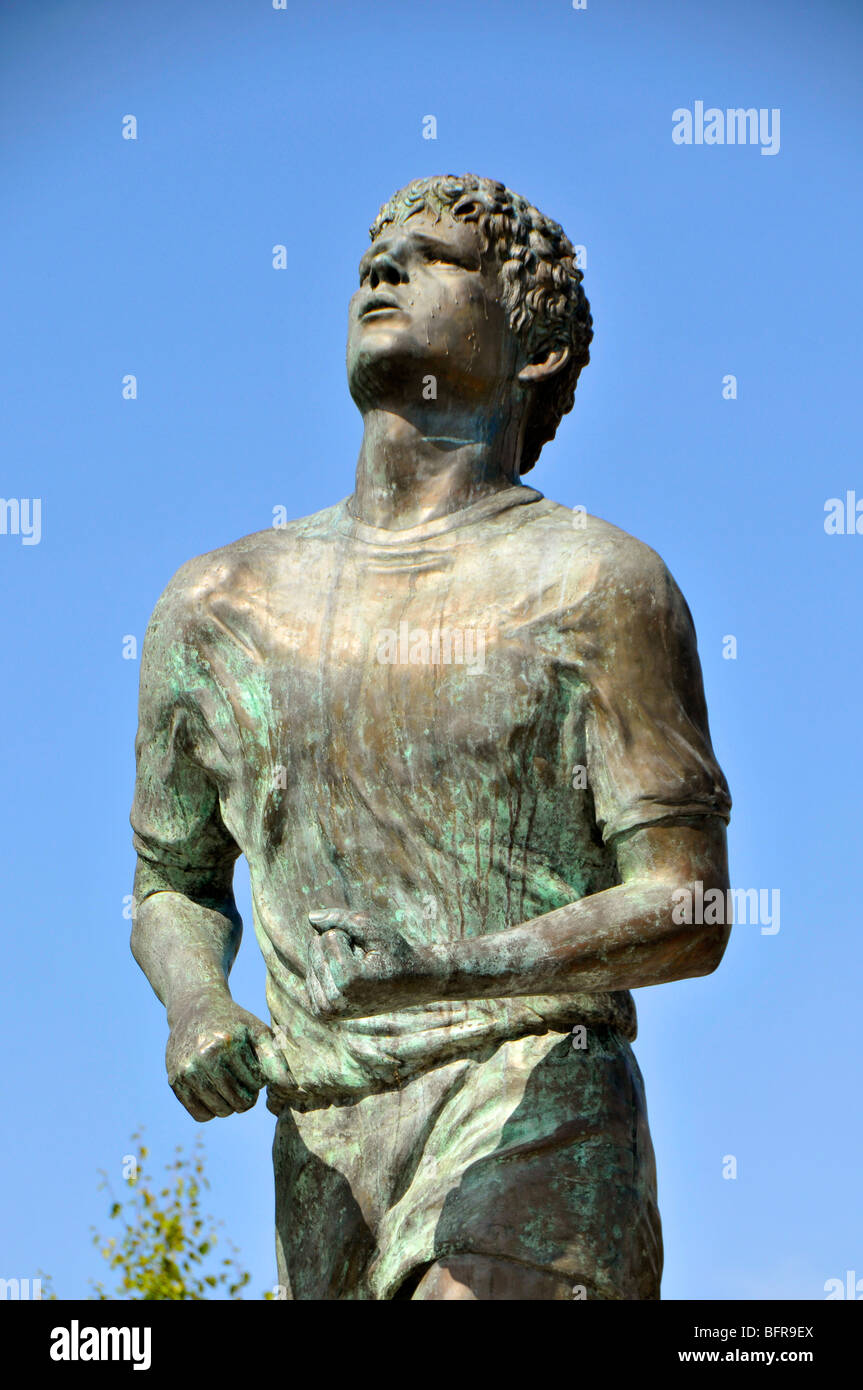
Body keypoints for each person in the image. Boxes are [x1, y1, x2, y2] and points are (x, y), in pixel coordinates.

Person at [130, 174, 732, 1300]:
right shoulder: (216, 605)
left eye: (434, 256)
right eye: (372, 251)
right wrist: (197, 1004)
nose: (380, 267)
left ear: (534, 348)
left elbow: (689, 904)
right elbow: (171, 880)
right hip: (327, 1141)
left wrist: (457, 970)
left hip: (532, 1106)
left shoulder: (600, 585)